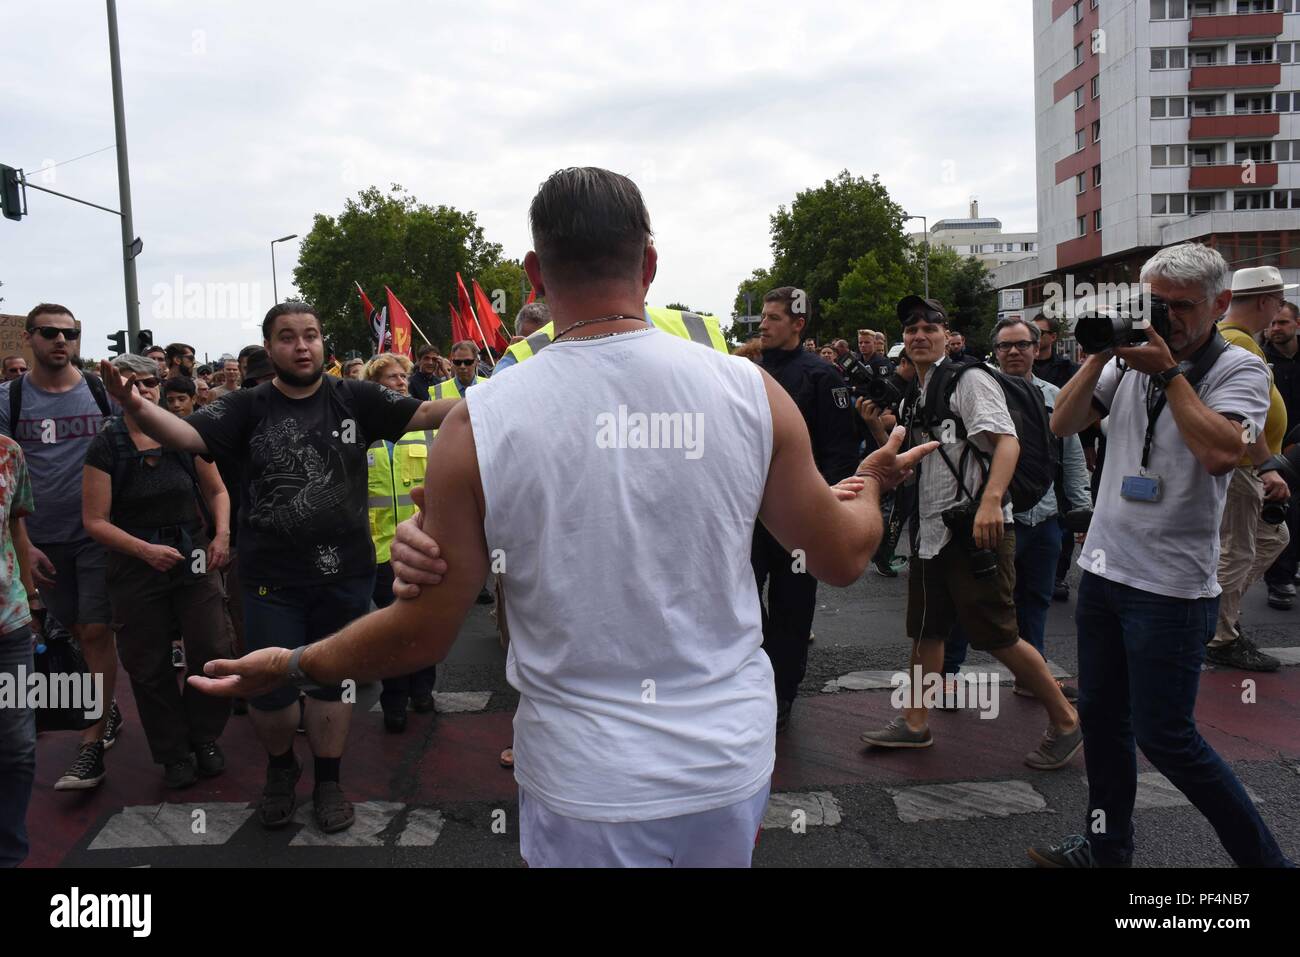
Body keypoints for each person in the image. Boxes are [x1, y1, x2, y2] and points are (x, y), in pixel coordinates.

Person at [187, 165, 936, 868]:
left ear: (535, 274)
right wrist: (868, 487)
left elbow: (424, 630)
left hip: (586, 780)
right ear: (648, 264)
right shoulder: (748, 392)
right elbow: (840, 557)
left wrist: (290, 663)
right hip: (725, 764)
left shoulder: (480, 421)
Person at [97, 301, 458, 834]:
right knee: (270, 689)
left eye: (310, 335)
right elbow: (185, 437)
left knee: (333, 684)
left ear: (322, 342)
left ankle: (329, 780)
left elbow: (427, 414)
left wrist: (495, 400)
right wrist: (133, 404)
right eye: (287, 337)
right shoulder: (246, 406)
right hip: (270, 579)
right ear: (270, 348)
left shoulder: (354, 396)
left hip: (346, 576)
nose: (302, 345)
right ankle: (282, 770)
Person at [1033, 241, 1290, 868]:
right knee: (1104, 724)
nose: (1166, 318)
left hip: (1172, 588)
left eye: (1180, 307)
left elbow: (1222, 453)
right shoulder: (1127, 363)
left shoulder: (1241, 371)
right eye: (1155, 304)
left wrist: (1170, 372)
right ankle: (1105, 847)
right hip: (1102, 570)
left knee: (1168, 740)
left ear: (1220, 304)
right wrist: (1099, 357)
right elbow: (1062, 425)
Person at [859, 296, 1082, 769]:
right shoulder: (919, 391)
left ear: (946, 335)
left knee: (997, 635)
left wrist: (990, 503)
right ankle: (915, 723)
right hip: (931, 532)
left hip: (974, 529)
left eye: (929, 328)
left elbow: (1007, 443)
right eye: (911, 329)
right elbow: (915, 463)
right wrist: (879, 438)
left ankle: (1066, 720)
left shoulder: (968, 379)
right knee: (926, 630)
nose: (920, 335)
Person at [82, 355, 234, 788]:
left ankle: (204, 736)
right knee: (148, 664)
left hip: (193, 553)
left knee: (210, 649)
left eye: (149, 382)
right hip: (135, 563)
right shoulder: (106, 445)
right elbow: (94, 520)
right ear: (116, 392)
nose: (142, 390)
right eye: (130, 384)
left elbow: (217, 490)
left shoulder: (183, 436)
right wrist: (144, 550)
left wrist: (221, 534)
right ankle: (173, 752)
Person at [0, 304, 123, 790]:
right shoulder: (9, 399)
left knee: (95, 630)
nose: (60, 340)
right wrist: (21, 547)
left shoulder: (99, 390)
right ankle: (105, 704)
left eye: (68, 333)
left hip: (97, 534)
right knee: (70, 629)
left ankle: (90, 745)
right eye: (49, 332)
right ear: (28, 338)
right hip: (36, 542)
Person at [940, 317, 1088, 701]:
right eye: (1005, 346)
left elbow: (1069, 456)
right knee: (971, 600)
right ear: (996, 352)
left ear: (1037, 349)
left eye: (1022, 344)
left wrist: (1081, 507)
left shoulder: (1056, 394)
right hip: (996, 517)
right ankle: (948, 676)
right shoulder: (979, 390)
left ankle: (1031, 676)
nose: (1014, 352)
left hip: (1045, 517)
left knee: (1034, 601)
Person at [754, 286, 861, 731]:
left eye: (774, 318)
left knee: (793, 610)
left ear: (798, 324)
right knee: (737, 599)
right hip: (752, 515)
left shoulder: (822, 377)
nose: (762, 324)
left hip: (800, 517)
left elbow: (839, 451)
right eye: (762, 316)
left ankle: (781, 696)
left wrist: (826, 507)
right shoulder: (746, 371)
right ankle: (752, 683)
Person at [1203, 267, 1294, 670]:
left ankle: (1223, 614)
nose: (1276, 311)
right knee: (1237, 553)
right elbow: (1244, 419)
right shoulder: (1240, 345)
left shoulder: (1232, 341)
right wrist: (1264, 466)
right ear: (1264, 301)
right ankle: (1219, 634)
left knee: (1270, 540)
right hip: (1241, 469)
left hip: (1245, 468)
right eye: (1276, 302)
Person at [363, 353, 438, 732]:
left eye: (402, 377)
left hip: (421, 546)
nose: (399, 383)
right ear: (375, 386)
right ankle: (394, 702)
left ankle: (423, 691)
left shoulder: (426, 427)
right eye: (391, 378)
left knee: (423, 624)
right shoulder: (360, 430)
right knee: (391, 631)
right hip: (377, 551)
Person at [0, 433, 36, 865]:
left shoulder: (9, 452)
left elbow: (15, 524)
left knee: (17, 747)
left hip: (8, 625)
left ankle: (10, 856)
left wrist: (32, 596)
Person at [1263, 299, 1300, 607]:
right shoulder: (1260, 359)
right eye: (1272, 323)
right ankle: (1280, 580)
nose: (1275, 328)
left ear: (1297, 325)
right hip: (1275, 452)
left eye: (1283, 323)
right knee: (1282, 514)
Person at [491, 302, 551, 377]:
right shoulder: (508, 368)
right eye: (528, 341)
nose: (533, 347)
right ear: (517, 340)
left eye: (541, 341)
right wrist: (510, 356)